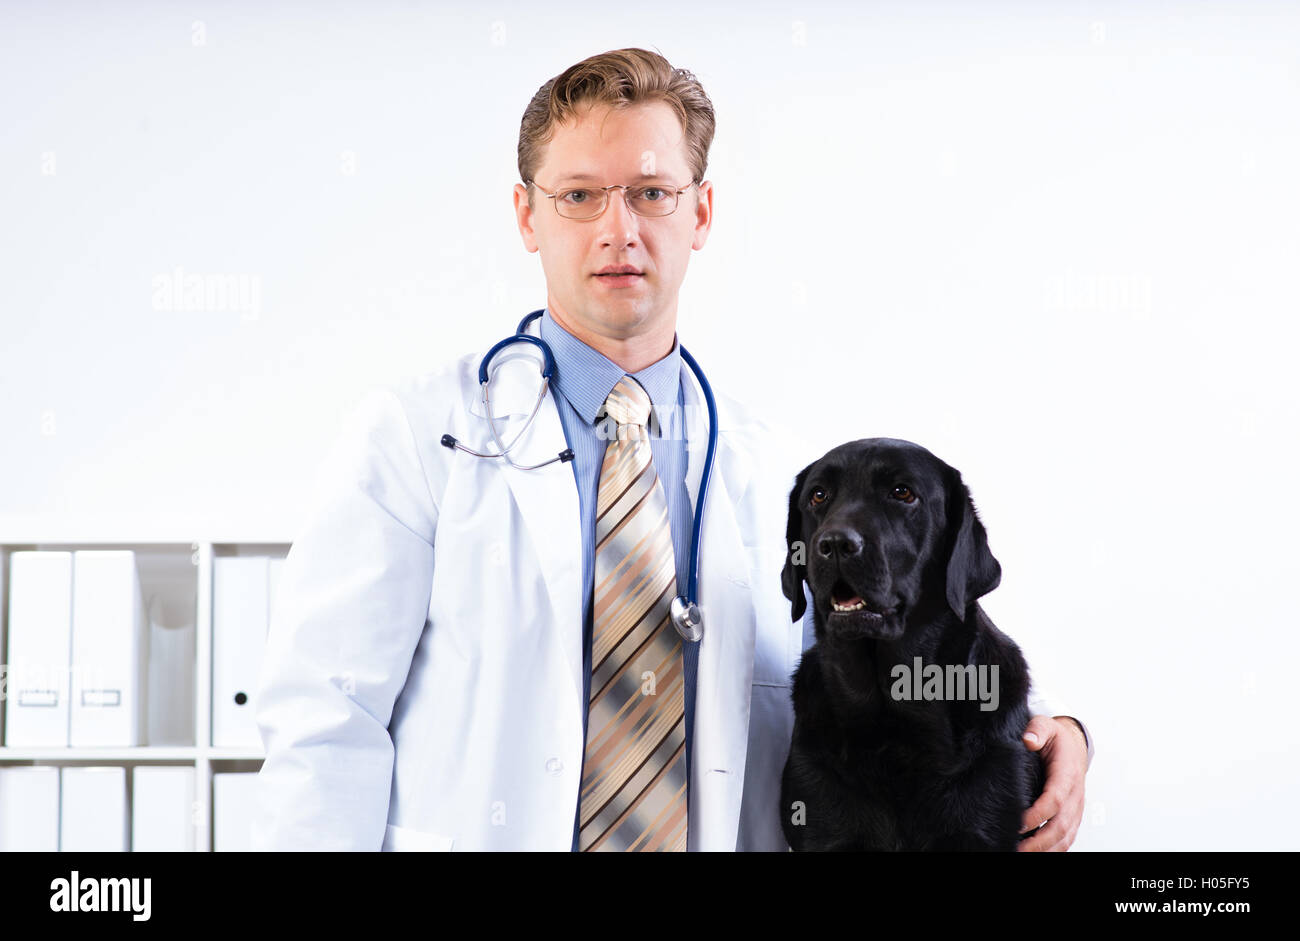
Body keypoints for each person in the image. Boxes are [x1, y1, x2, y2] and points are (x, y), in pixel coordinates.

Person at [252, 47, 1092, 852]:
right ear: (526, 217)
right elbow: (325, 719)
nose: (618, 230)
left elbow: (910, 635)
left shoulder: (786, 478)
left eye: (652, 192)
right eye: (579, 195)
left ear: (701, 213)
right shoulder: (417, 441)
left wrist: (1058, 730)